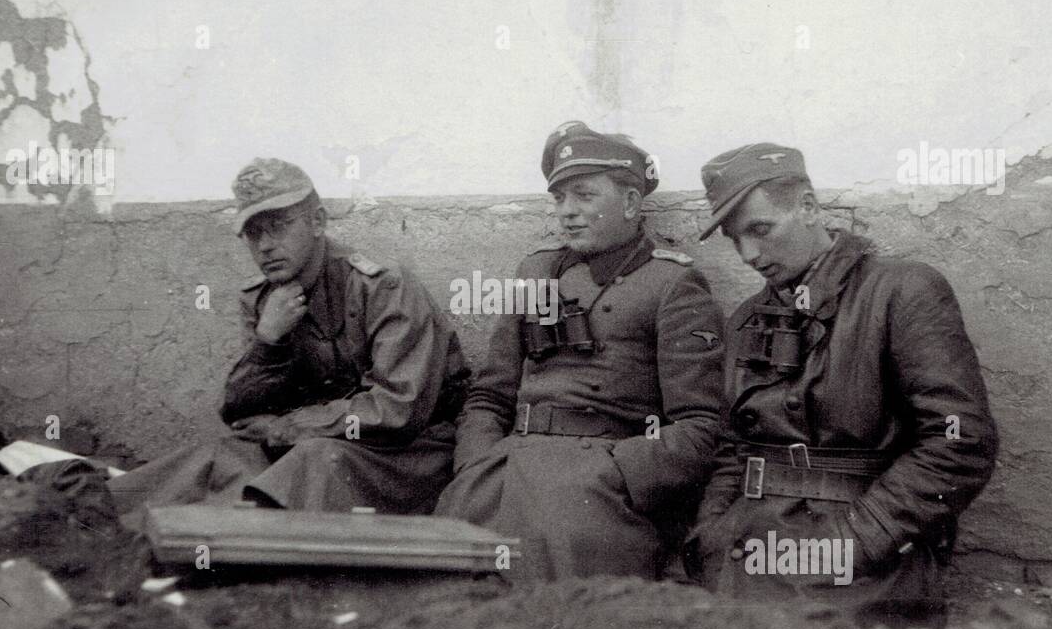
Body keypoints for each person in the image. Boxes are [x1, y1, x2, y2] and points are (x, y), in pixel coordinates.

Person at [684, 143, 998, 615]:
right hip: (745, 548)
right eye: (735, 239)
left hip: (860, 559)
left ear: (808, 206)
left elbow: (960, 442)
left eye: (760, 229)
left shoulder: (900, 291)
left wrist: (858, 541)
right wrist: (712, 532)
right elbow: (733, 446)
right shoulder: (749, 318)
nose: (749, 254)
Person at [435, 121, 727, 581]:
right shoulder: (535, 273)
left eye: (584, 196)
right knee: (444, 584)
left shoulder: (671, 284)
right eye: (559, 199)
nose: (567, 212)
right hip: (504, 470)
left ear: (631, 202)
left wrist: (618, 474)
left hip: (598, 482)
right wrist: (475, 463)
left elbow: (699, 427)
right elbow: (489, 396)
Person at [107, 158, 469, 517]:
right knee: (221, 455)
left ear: (317, 222)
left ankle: (205, 539)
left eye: (278, 226)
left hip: (406, 454)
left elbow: (396, 408)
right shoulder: (264, 300)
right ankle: (97, 513)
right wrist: (268, 340)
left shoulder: (384, 287)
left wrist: (287, 427)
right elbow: (242, 415)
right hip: (314, 442)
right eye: (253, 233)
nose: (264, 246)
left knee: (309, 464)